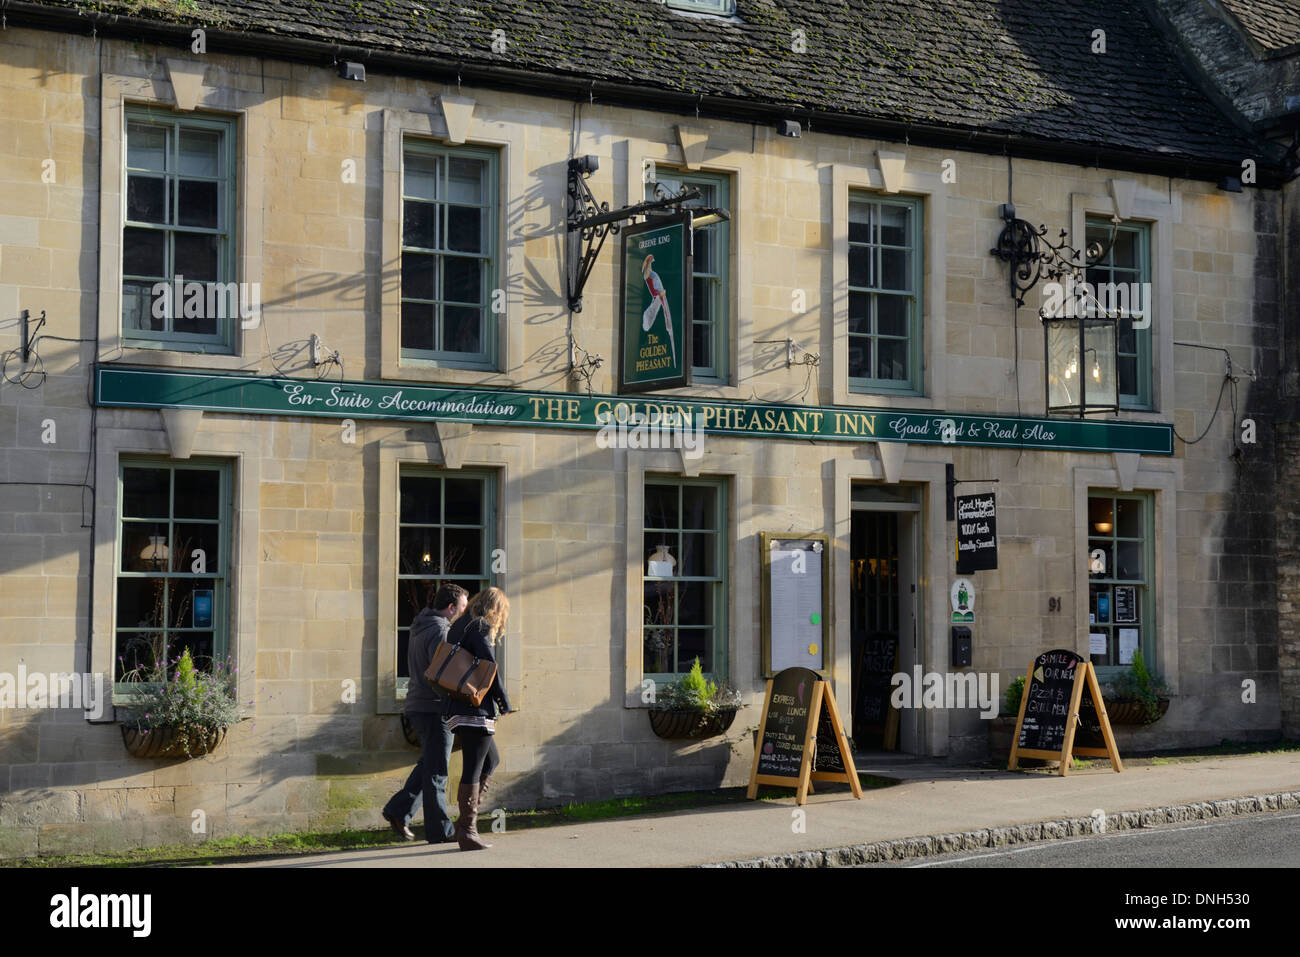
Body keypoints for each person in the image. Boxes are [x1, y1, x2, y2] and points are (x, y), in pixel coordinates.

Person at [382, 582, 468, 843]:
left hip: (417, 705)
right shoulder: (441, 632)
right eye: (463, 608)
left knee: (429, 764)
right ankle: (440, 832)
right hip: (434, 708)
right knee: (438, 772)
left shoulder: (420, 626)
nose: (464, 613)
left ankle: (398, 811)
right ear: (451, 608)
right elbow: (441, 675)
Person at [443, 587, 513, 851]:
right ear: (494, 609)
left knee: (490, 760)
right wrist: (503, 701)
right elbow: (489, 667)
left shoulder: (458, 625)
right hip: (475, 709)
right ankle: (468, 832)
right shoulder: (479, 626)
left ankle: (462, 826)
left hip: (456, 705)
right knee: (474, 766)